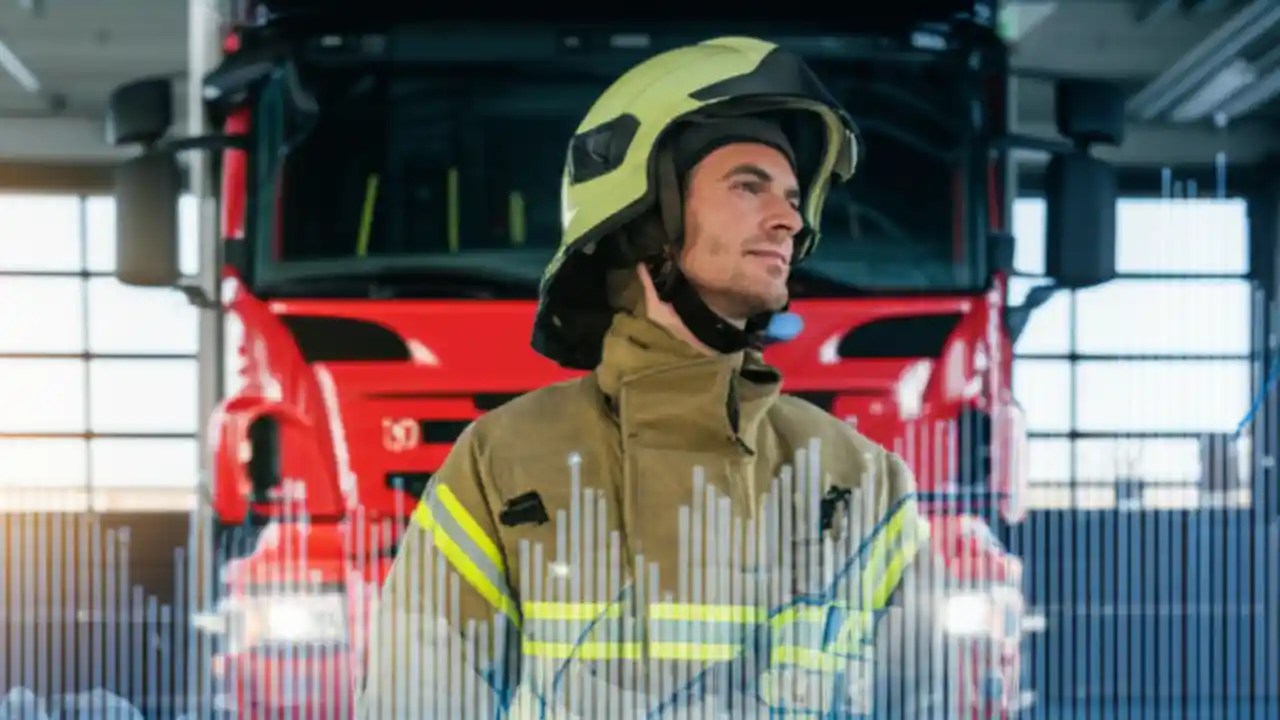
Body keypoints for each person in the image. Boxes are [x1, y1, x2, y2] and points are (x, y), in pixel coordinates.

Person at [357, 35, 948, 719]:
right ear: (644, 215)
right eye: (749, 186)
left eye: (790, 196)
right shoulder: (502, 464)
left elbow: (922, 698)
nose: (790, 220)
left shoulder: (863, 481)